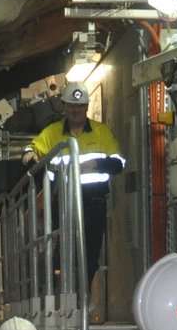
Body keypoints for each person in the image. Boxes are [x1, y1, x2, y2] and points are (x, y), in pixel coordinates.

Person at [24, 82, 124, 286]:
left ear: (86, 107)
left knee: (91, 250)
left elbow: (118, 163)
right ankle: (68, 292)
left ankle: (83, 295)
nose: (75, 110)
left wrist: (94, 164)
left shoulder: (101, 132)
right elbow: (31, 150)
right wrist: (30, 155)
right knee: (65, 251)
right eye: (71, 105)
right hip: (64, 202)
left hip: (94, 202)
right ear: (64, 106)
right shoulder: (52, 133)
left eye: (79, 106)